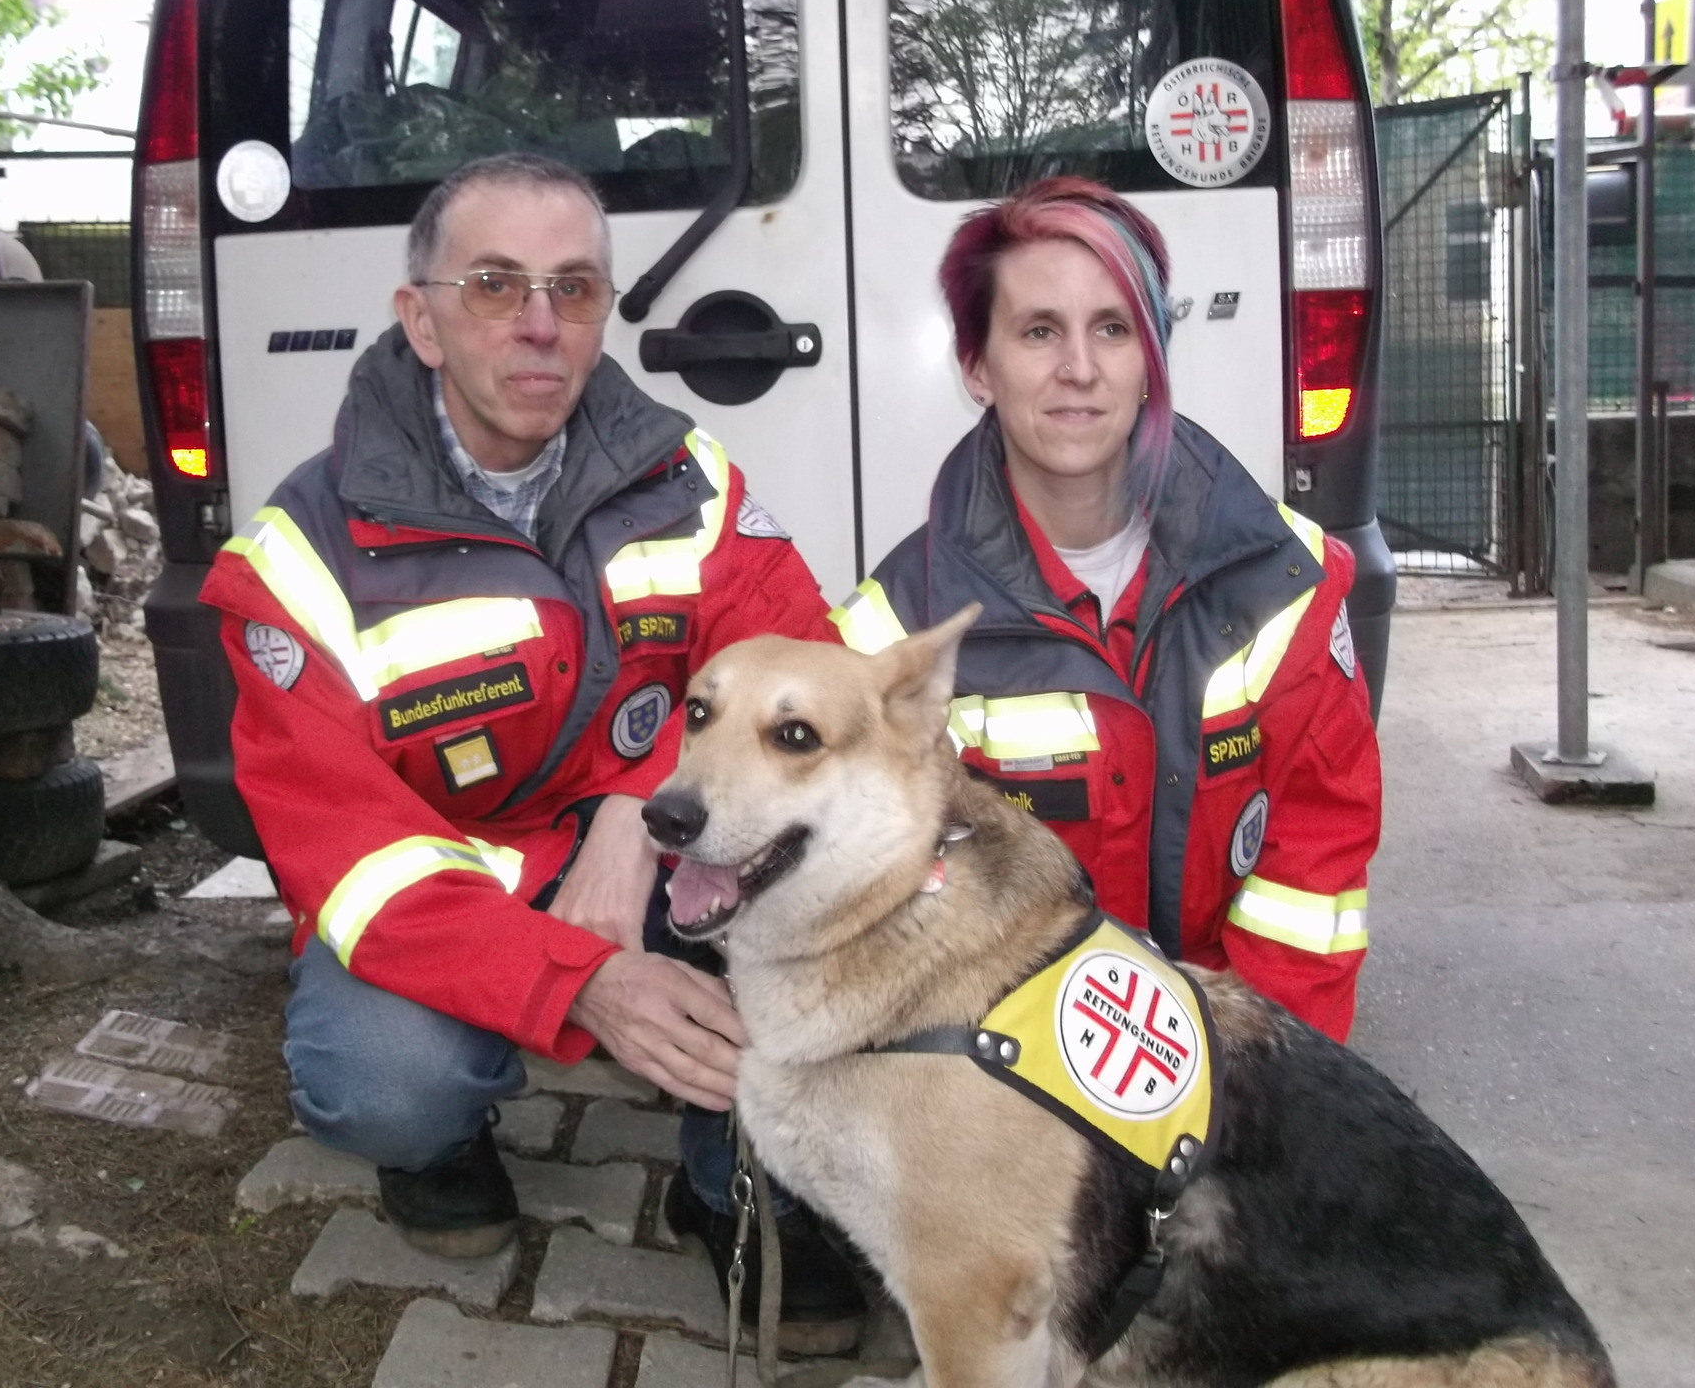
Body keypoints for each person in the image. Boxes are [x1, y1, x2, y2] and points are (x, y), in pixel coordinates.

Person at [199, 153, 864, 1346]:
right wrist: (579, 980)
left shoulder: (687, 480)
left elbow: (798, 680)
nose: (543, 327)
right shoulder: (298, 561)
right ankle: (442, 1142)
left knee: (826, 897)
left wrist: (632, 806)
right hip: (443, 896)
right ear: (421, 319)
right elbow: (350, 862)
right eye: (496, 286)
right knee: (383, 1081)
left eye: (576, 288)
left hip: (654, 851)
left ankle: (736, 1183)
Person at [834, 176, 1382, 1040]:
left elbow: (1312, 873)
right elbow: (878, 912)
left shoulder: (1286, 581)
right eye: (1039, 331)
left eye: (1113, 330)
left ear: (1151, 360)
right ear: (980, 368)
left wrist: (1241, 1077)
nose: (1080, 370)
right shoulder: (894, 632)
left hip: (1237, 1044)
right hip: (1006, 1060)